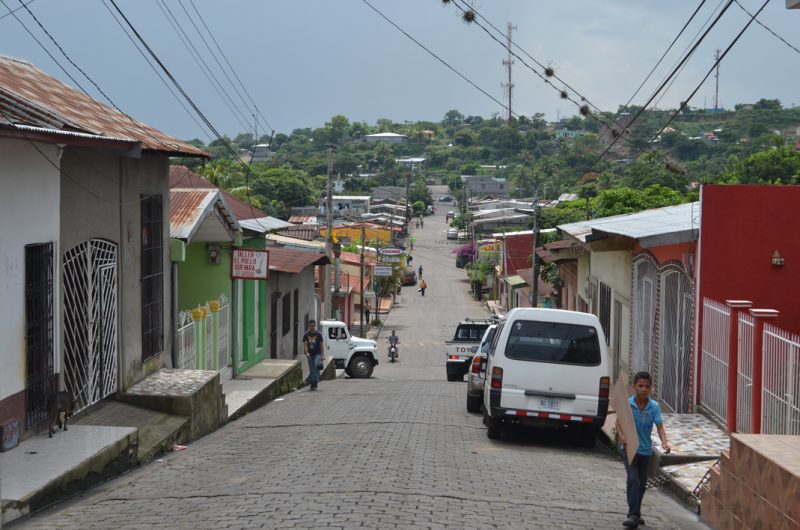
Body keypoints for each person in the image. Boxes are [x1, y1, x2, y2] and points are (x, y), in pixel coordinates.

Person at [616, 372, 670, 528]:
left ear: (651, 388)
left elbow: (659, 426)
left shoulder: (654, 407)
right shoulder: (628, 404)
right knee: (634, 480)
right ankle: (632, 515)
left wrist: (664, 442)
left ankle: (636, 512)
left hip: (645, 451)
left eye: (647, 386)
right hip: (629, 449)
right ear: (634, 387)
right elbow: (619, 422)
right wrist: (623, 438)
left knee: (641, 484)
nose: (643, 389)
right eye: (640, 386)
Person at [302, 320, 325, 391]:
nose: (311, 327)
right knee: (312, 369)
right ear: (308, 326)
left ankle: (314, 383)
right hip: (310, 355)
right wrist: (306, 352)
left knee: (315, 365)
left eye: (312, 326)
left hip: (317, 353)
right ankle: (313, 383)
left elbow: (321, 345)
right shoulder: (306, 334)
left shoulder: (319, 334)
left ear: (315, 326)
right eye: (310, 326)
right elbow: (305, 345)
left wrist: (322, 355)